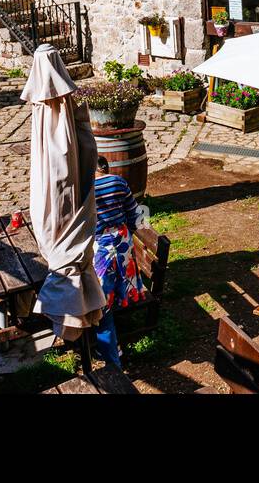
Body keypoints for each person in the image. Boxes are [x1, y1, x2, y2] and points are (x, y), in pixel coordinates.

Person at [91, 157, 146, 370]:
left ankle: (113, 356)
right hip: (122, 244)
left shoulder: (84, 188)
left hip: (99, 250)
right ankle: (112, 345)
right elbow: (135, 216)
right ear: (106, 168)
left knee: (101, 303)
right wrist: (126, 232)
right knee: (112, 294)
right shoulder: (118, 182)